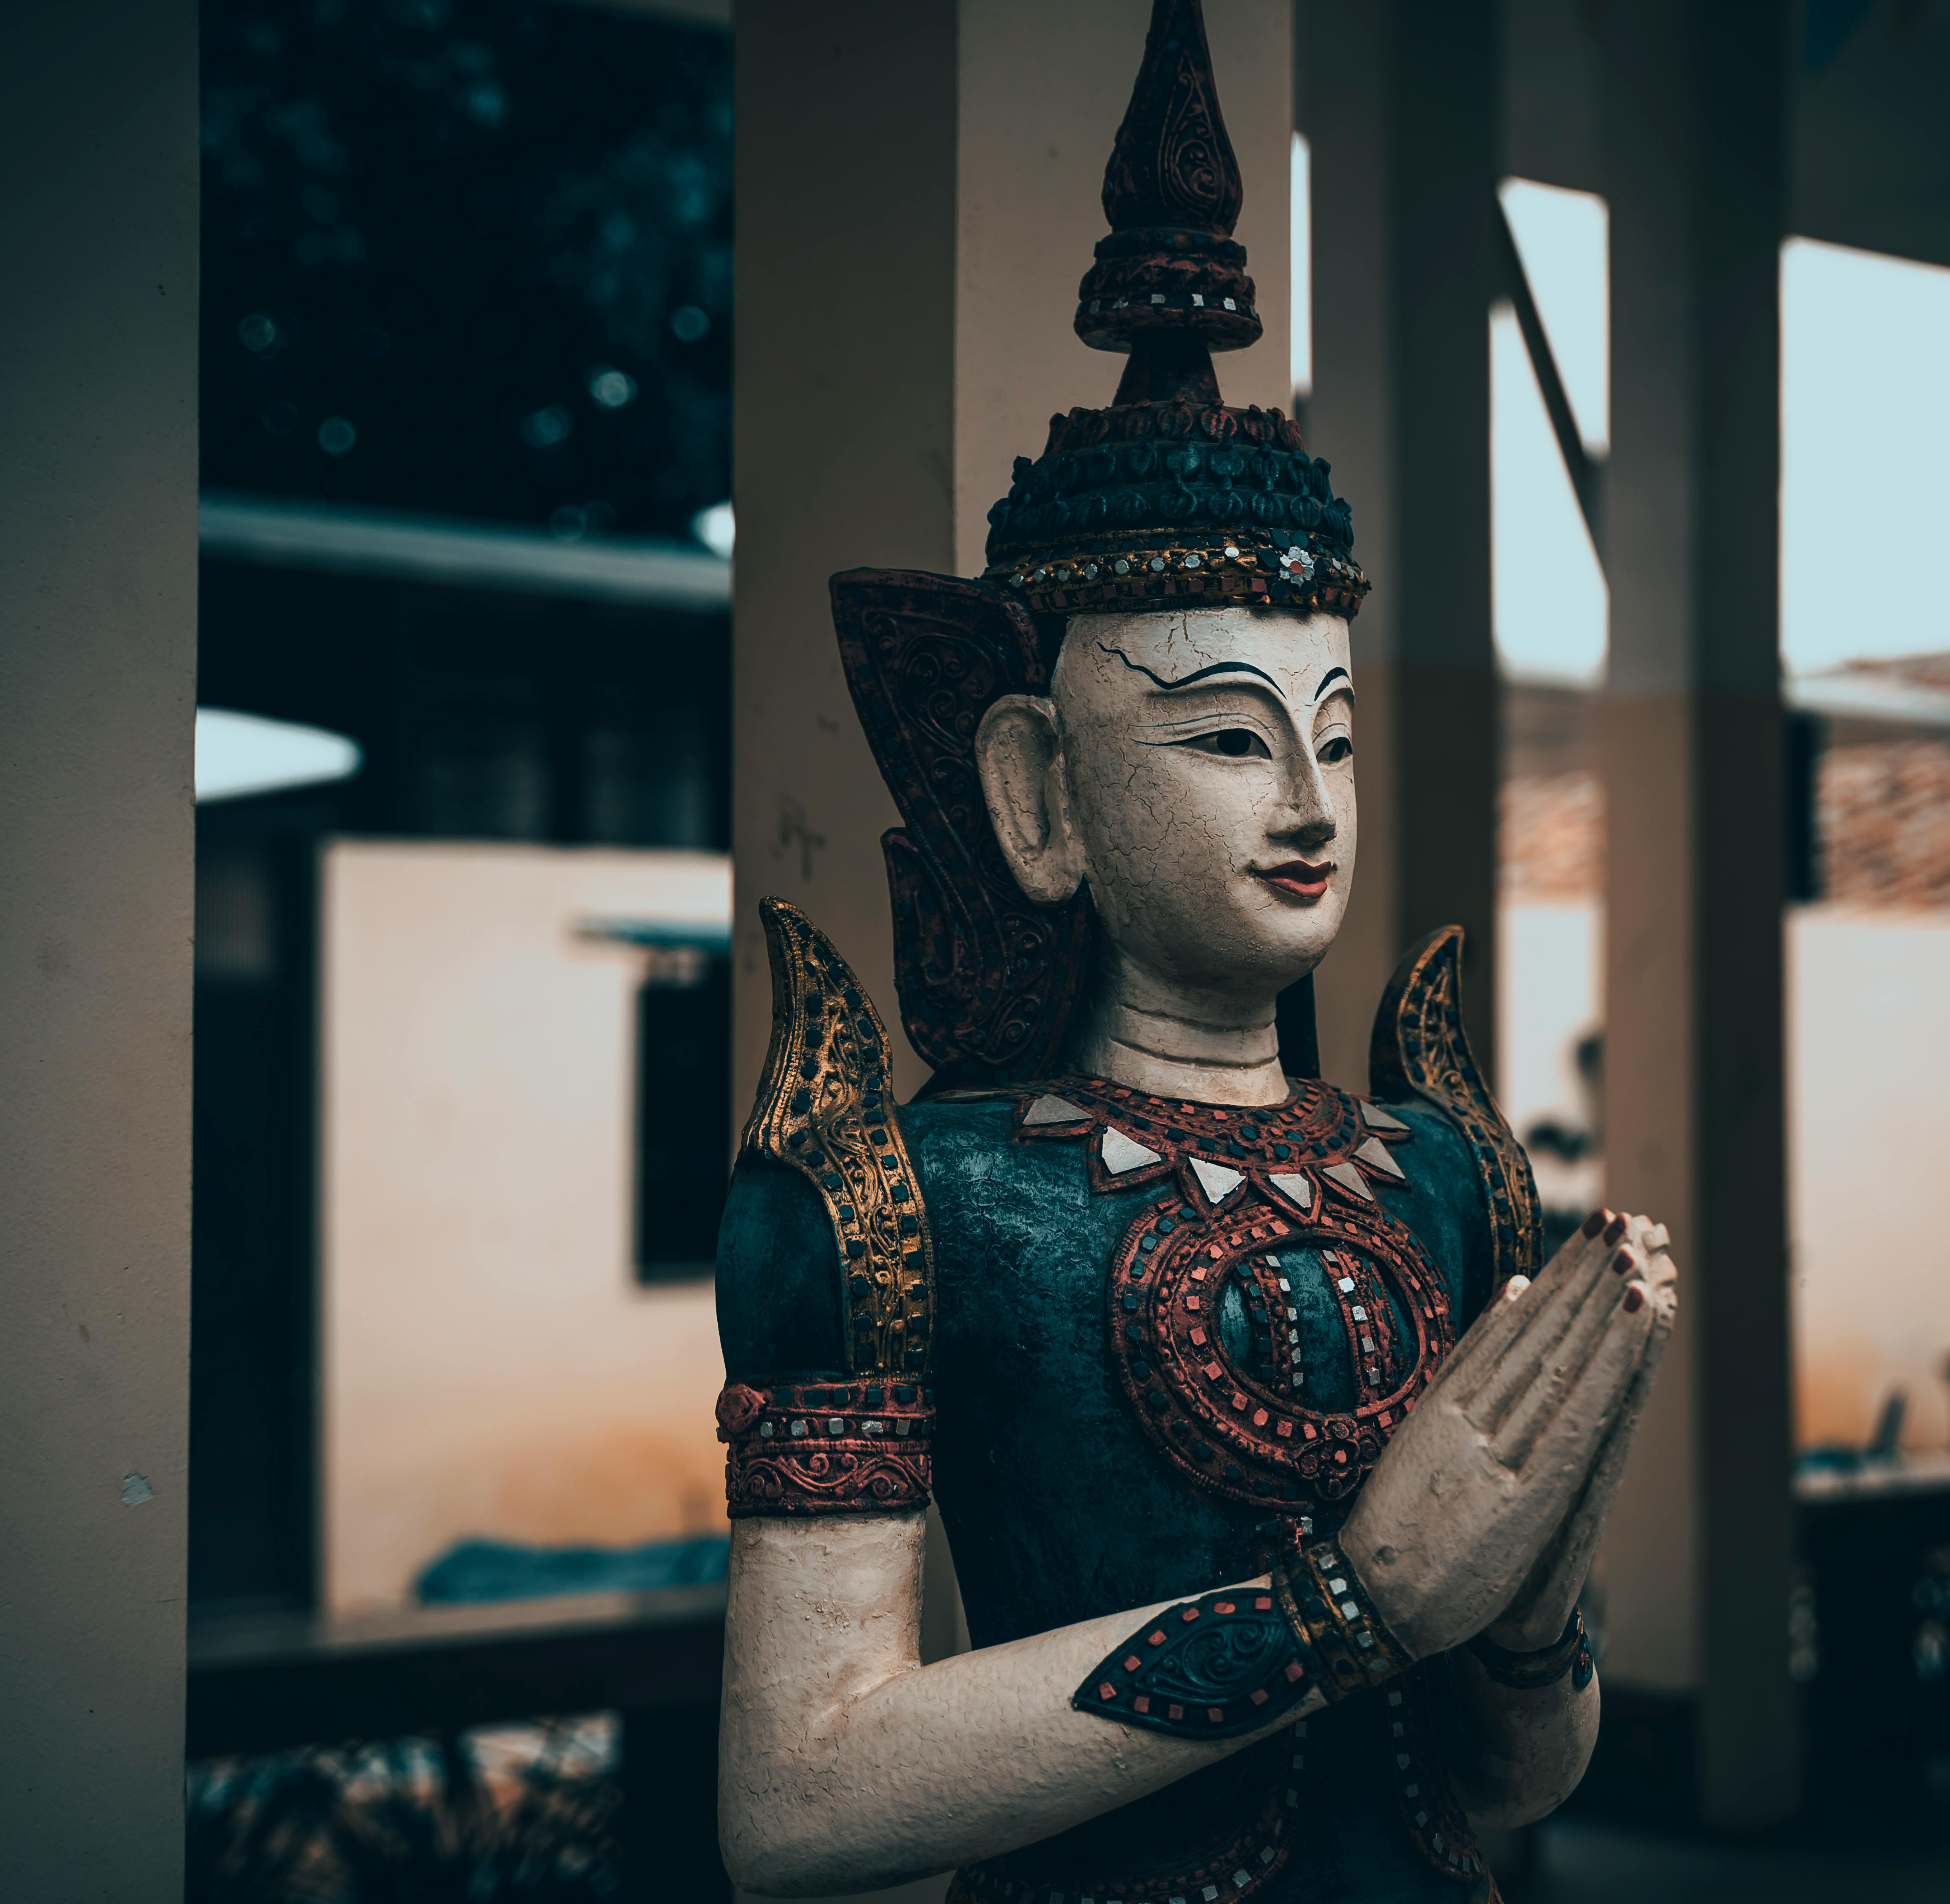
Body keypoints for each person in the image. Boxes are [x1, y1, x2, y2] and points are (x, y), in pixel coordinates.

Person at [711, 6, 1676, 1896]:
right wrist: (1346, 1604)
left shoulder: (1445, 1173)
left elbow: (1516, 1776)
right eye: (1230, 735)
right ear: (1039, 792)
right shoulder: (906, 1207)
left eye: (1329, 730)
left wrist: (1531, 1587)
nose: (1308, 800)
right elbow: (797, 1802)